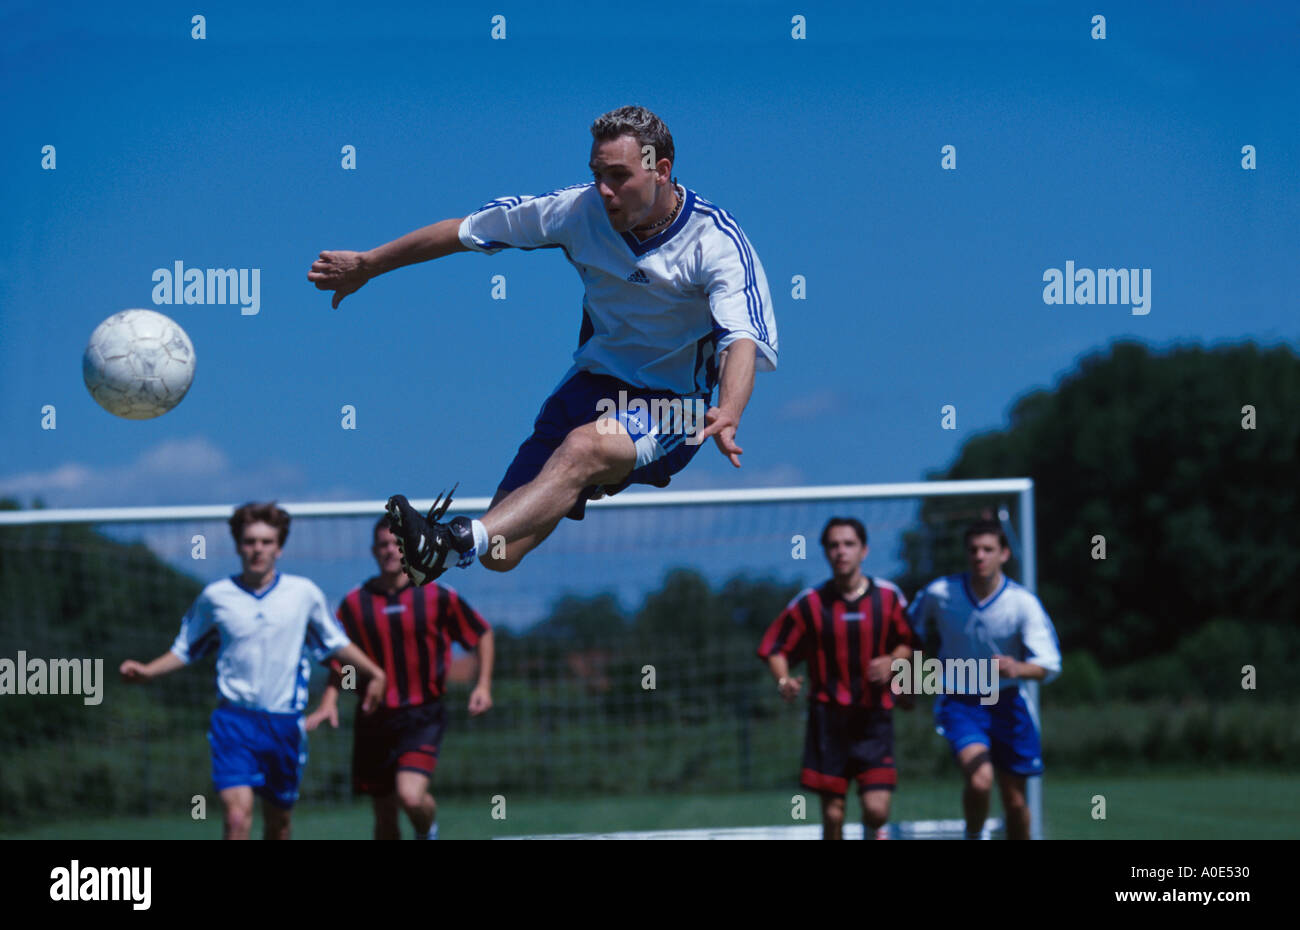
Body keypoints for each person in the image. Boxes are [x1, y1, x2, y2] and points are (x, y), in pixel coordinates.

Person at [308, 104, 778, 584]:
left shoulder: (716, 243)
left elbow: (739, 337)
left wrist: (731, 408)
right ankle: (555, 492)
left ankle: (452, 540)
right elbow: (463, 232)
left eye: (618, 176)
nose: (604, 191)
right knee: (500, 551)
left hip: (679, 406)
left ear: (660, 171)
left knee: (581, 449)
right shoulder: (577, 211)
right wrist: (368, 264)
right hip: (590, 387)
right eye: (596, 174)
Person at [119, 502, 386, 840]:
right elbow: (185, 648)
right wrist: (147, 671)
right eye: (250, 541)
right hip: (235, 724)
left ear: (279, 547)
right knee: (236, 818)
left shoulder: (303, 594)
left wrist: (375, 673)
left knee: (279, 826)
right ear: (237, 545)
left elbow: (335, 644)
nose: (257, 549)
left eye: (266, 542)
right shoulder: (216, 597)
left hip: (285, 725)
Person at [305, 516, 494, 840]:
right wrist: (331, 700)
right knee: (384, 815)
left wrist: (483, 685)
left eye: (396, 544)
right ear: (373, 551)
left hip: (422, 714)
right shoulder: (353, 603)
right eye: (383, 545)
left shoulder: (437, 594)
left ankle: (427, 831)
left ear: (407, 547)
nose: (390, 551)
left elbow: (481, 634)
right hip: (373, 718)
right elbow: (343, 662)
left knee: (410, 795)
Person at [757, 517, 918, 840]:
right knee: (833, 815)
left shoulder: (888, 597)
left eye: (848, 544)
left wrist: (894, 662)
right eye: (833, 545)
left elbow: (911, 642)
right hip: (828, 721)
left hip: (874, 718)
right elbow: (774, 648)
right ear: (825, 553)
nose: (841, 551)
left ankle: (875, 831)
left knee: (877, 811)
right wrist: (784, 680)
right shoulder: (810, 603)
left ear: (864, 550)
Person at [907, 519, 1061, 840]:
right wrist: (905, 675)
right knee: (979, 780)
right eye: (973, 549)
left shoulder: (1022, 603)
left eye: (988, 549)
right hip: (960, 699)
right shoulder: (940, 593)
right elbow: (905, 633)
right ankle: (974, 836)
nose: (980, 556)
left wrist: (1017, 668)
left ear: (1003, 554)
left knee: (1016, 801)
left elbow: (1048, 665)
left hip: (1006, 700)